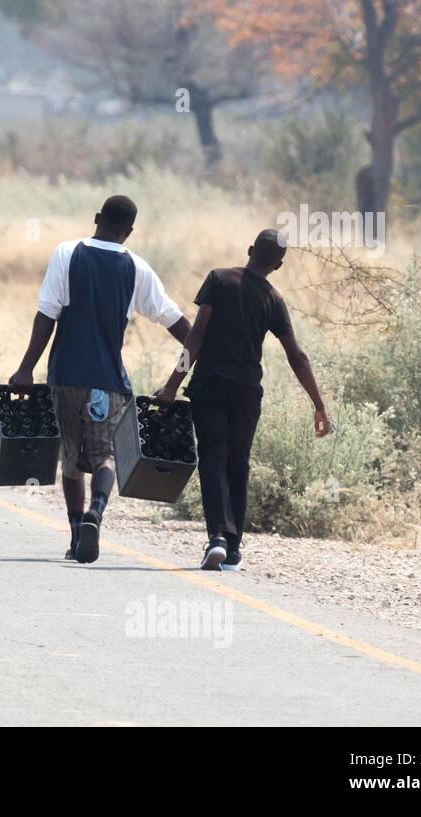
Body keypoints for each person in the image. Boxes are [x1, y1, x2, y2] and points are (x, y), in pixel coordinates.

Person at [10, 195, 190, 563]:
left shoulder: (66, 252)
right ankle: (97, 509)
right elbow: (176, 322)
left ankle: (77, 533)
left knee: (71, 461)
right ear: (130, 232)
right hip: (107, 382)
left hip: (64, 376)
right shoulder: (137, 268)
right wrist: (196, 356)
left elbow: (47, 315)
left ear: (96, 218)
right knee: (104, 456)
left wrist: (26, 367)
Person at [153, 229, 331, 571]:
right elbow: (297, 356)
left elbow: (196, 337)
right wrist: (319, 405)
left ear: (250, 249)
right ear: (278, 265)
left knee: (213, 459)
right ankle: (233, 550)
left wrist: (173, 384)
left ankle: (217, 537)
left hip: (210, 386)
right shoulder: (274, 300)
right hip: (248, 392)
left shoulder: (219, 279)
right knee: (238, 463)